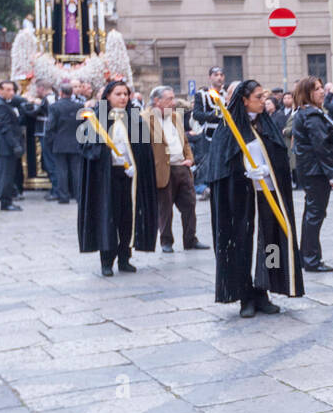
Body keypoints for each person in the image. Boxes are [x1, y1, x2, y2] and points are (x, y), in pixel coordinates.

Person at [207, 79, 304, 315]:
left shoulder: (267, 125)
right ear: (244, 100)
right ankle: (245, 295)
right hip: (241, 199)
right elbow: (220, 166)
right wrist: (243, 172)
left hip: (268, 195)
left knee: (270, 243)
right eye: (258, 97)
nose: (264, 101)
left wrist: (269, 170)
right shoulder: (228, 129)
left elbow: (280, 158)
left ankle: (265, 288)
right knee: (242, 245)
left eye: (264, 96)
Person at [77, 80, 159, 275]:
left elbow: (144, 150)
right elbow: (85, 147)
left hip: (130, 177)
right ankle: (106, 260)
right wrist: (105, 152)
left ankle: (125, 257)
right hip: (105, 177)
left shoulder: (135, 118)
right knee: (107, 217)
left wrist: (134, 164)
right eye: (118, 94)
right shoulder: (97, 119)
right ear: (108, 97)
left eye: (125, 94)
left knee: (127, 217)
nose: (123, 98)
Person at [291, 75, 333, 272]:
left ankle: (307, 256)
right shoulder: (311, 115)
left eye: (322, 87)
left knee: (311, 213)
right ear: (307, 93)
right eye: (317, 89)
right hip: (316, 171)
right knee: (315, 214)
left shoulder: (307, 113)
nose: (322, 91)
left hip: (311, 170)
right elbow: (320, 146)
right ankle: (311, 259)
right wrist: (332, 174)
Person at [146, 85, 206, 254]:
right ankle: (166, 241)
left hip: (182, 167)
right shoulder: (144, 119)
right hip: (163, 169)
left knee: (189, 205)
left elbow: (185, 141)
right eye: (169, 99)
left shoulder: (175, 117)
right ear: (157, 101)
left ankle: (190, 239)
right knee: (165, 208)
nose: (173, 102)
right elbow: (143, 148)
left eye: (173, 98)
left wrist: (190, 158)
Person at [0, 81, 30, 212]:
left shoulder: (8, 104)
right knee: (5, 176)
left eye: (12, 90)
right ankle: (5, 202)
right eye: (7, 90)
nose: (11, 93)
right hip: (5, 147)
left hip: (9, 146)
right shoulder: (0, 106)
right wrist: (15, 145)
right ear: (0, 91)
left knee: (9, 175)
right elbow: (6, 128)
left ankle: (8, 200)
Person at [43, 81, 85, 204]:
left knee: (61, 170)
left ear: (60, 93)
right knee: (76, 170)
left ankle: (63, 196)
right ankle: (78, 195)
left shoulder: (55, 107)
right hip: (75, 141)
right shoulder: (79, 106)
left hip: (59, 142)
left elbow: (50, 126)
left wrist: (50, 140)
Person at [191, 66, 227, 198]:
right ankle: (205, 187)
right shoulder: (202, 95)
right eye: (216, 74)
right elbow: (197, 114)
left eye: (221, 74)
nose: (219, 77)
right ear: (210, 77)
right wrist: (211, 115)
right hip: (209, 134)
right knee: (208, 162)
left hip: (226, 134)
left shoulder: (228, 94)